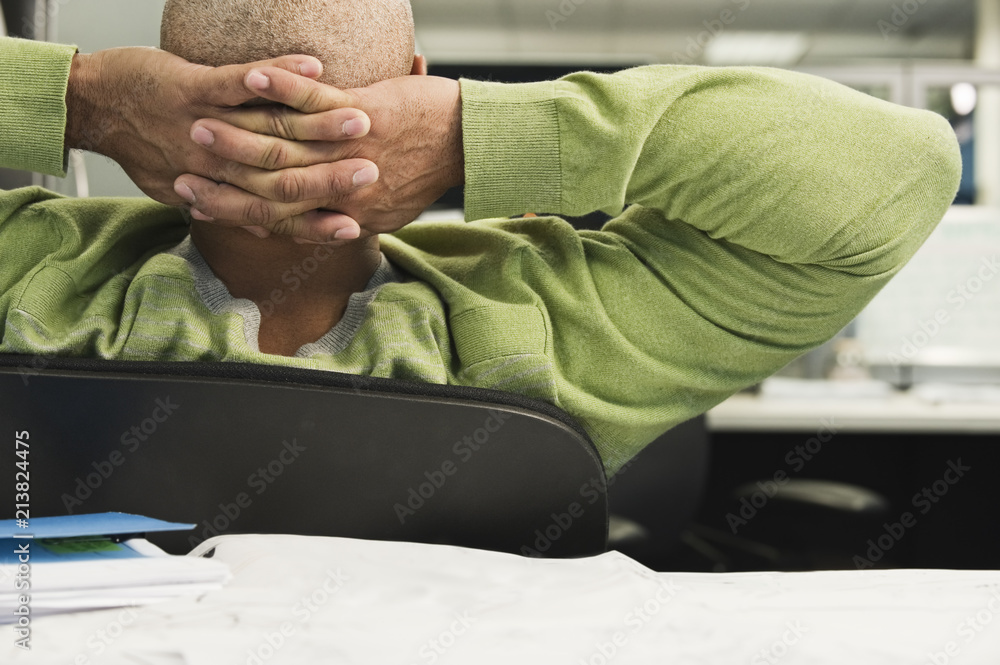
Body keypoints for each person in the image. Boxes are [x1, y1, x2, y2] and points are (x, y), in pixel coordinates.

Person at [0, 0, 960, 476]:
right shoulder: (551, 321)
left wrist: (81, 102)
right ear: (419, 74)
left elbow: (902, 167)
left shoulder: (37, 275)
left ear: (167, 96)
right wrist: (481, 132)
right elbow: (903, 170)